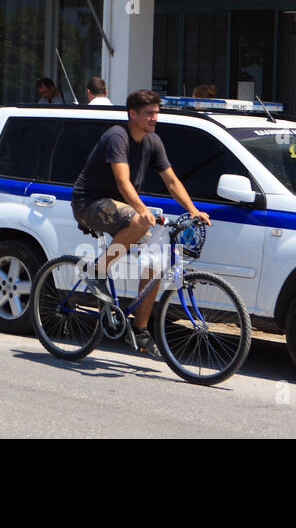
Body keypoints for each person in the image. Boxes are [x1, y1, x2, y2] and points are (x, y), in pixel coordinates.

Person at [71, 89, 211, 357]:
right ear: (132, 114)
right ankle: (97, 272)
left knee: (157, 259)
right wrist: (142, 210)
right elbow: (123, 182)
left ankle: (140, 329)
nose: (154, 118)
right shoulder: (117, 137)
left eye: (156, 113)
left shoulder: (152, 141)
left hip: (119, 206)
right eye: (149, 113)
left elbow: (171, 180)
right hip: (89, 202)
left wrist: (193, 210)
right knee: (140, 221)